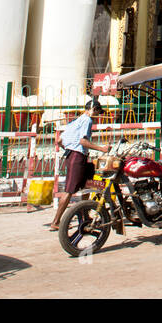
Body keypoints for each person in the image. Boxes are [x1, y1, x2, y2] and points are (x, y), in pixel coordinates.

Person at [49, 98, 111, 231]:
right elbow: (83, 141)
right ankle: (56, 221)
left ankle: (85, 215)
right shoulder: (87, 120)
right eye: (97, 113)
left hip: (74, 155)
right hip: (78, 157)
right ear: (93, 109)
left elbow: (59, 141)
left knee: (88, 185)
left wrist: (69, 147)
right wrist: (102, 149)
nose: (97, 117)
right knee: (69, 191)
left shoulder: (74, 122)